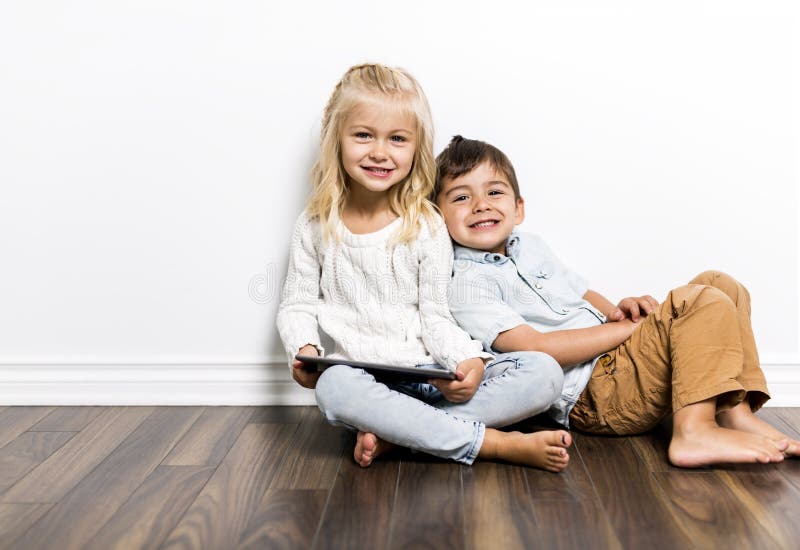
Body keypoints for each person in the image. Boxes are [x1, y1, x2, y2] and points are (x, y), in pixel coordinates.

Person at [434, 135, 798, 467]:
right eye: (462, 197)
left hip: (618, 357)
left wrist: (618, 312)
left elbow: (581, 294)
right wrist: (627, 331)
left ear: (519, 208)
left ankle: (734, 413)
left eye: (494, 192)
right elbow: (537, 347)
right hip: (595, 392)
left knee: (721, 284)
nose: (481, 205)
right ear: (437, 215)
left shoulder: (531, 247)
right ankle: (694, 431)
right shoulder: (465, 284)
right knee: (697, 301)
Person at [276, 65, 571, 472]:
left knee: (544, 372)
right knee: (334, 388)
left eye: (397, 139)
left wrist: (465, 361)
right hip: (367, 382)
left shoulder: (425, 224)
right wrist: (305, 351)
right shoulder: (314, 225)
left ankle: (399, 436)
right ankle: (490, 443)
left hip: (433, 375)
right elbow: (297, 304)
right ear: (335, 139)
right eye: (363, 135)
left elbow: (435, 314)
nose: (380, 152)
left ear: (416, 147)